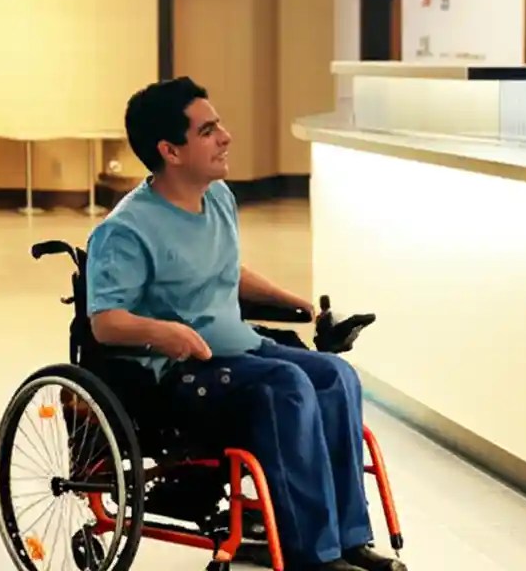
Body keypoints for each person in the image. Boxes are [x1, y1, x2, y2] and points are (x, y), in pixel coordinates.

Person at [85, 77, 395, 571]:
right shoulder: (125, 231)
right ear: (171, 150)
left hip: (239, 349)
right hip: (179, 375)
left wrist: (305, 308)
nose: (226, 136)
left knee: (336, 376)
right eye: (208, 130)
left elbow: (226, 272)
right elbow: (105, 322)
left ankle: (349, 539)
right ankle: (311, 554)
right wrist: (167, 333)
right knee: (288, 385)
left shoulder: (218, 198)